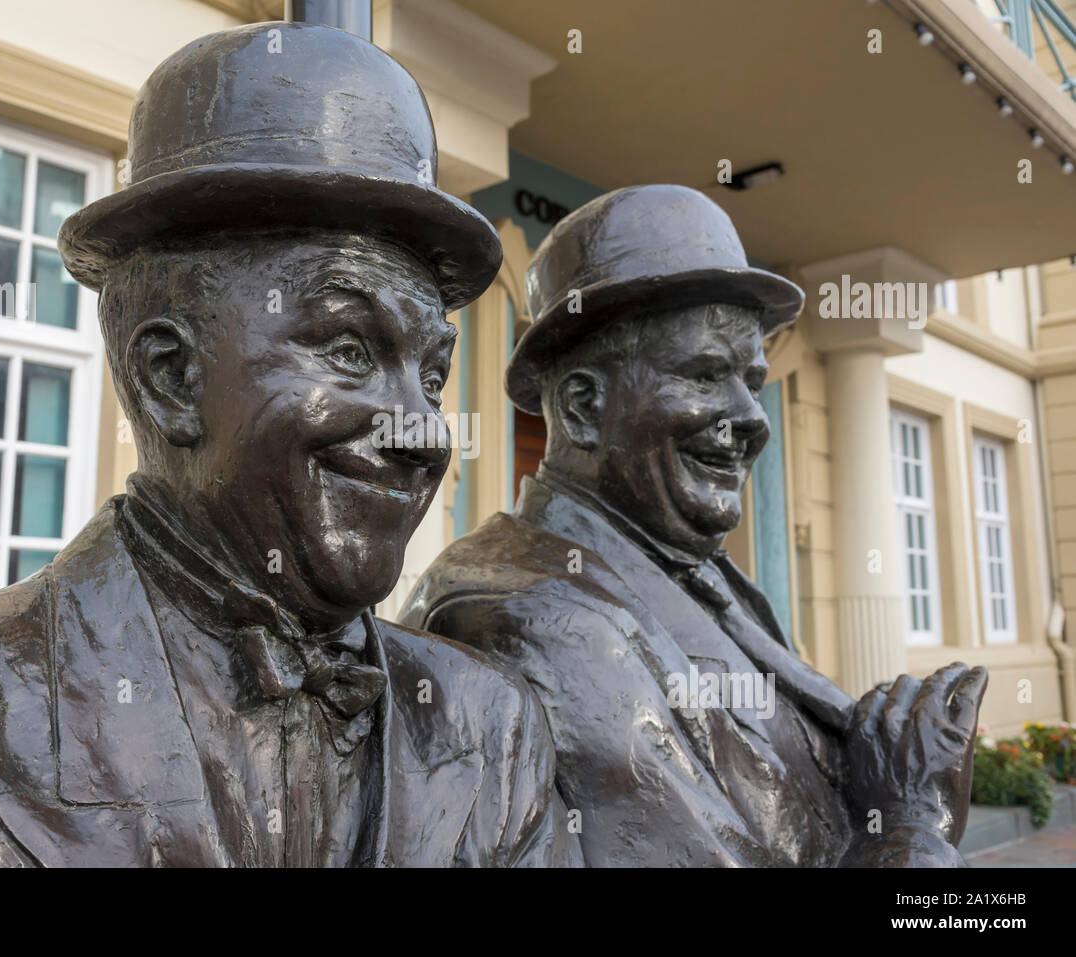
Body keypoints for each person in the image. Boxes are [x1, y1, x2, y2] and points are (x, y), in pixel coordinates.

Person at [0, 21, 580, 868]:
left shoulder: (492, 728)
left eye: (432, 375)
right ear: (170, 377)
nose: (421, 431)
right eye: (349, 351)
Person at [402, 184, 986, 867]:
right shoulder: (525, 615)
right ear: (586, 407)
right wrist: (910, 827)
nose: (751, 418)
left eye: (752, 379)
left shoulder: (696, 573)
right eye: (706, 375)